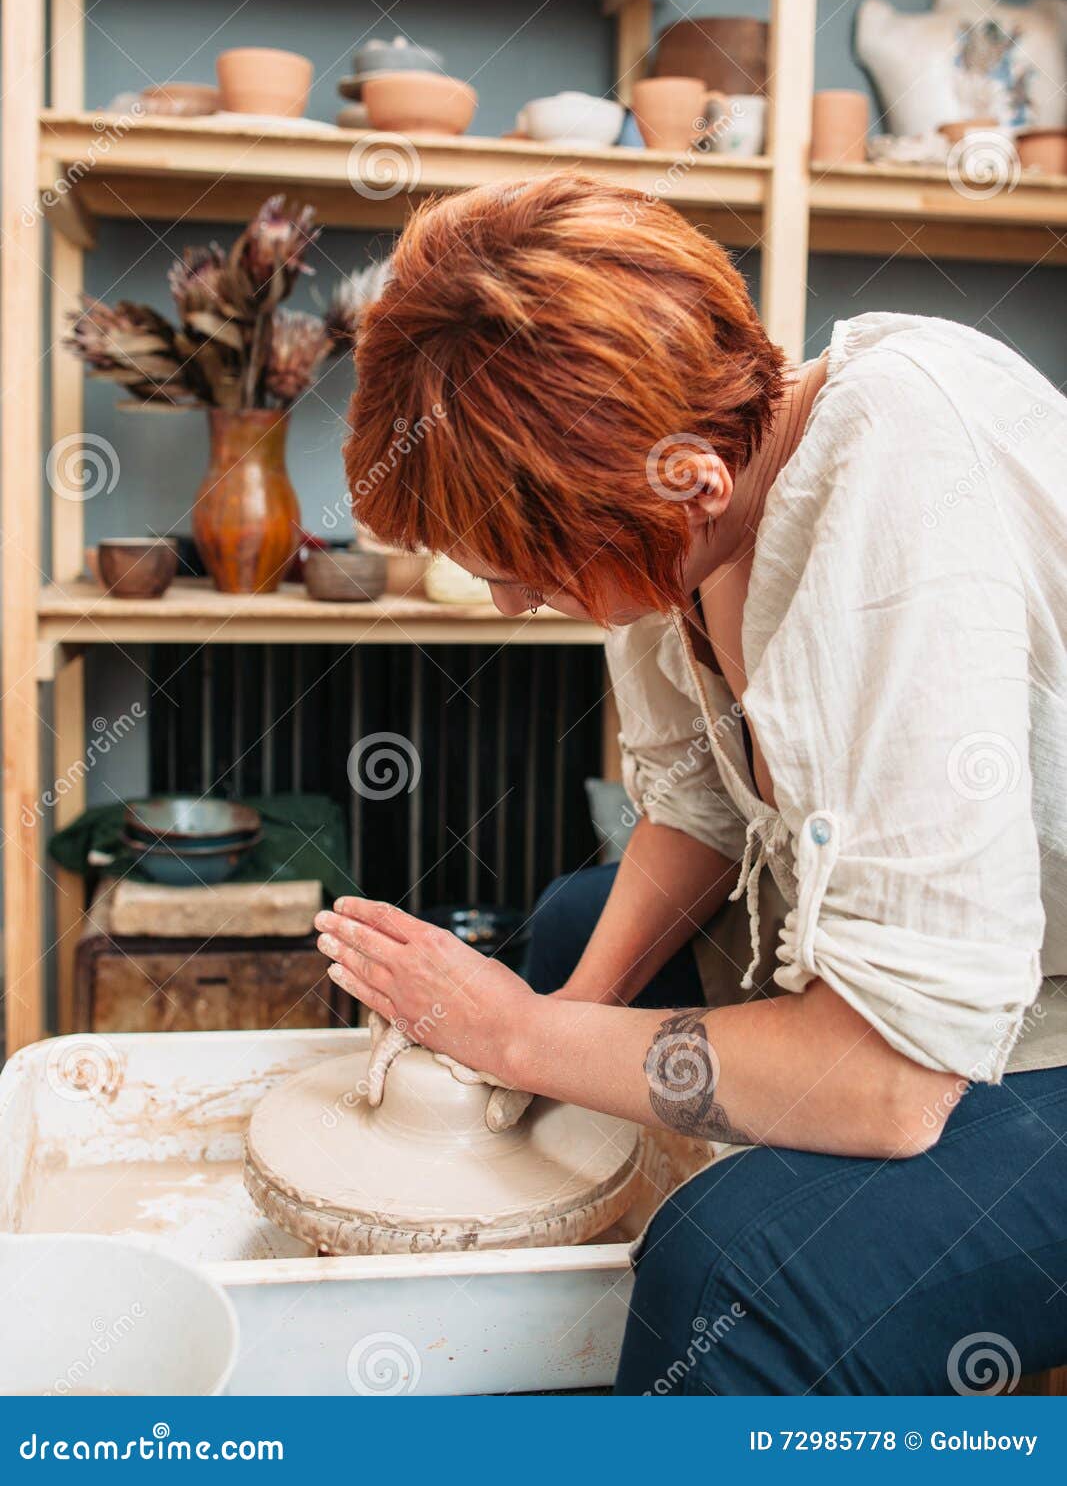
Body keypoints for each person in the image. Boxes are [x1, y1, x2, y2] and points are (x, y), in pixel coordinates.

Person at [315, 174, 1067, 1394]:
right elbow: (703, 811)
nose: (509, 600)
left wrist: (518, 1027)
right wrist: (537, 1033)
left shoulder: (895, 489)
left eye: (523, 565)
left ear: (683, 485)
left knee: (736, 1271)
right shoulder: (673, 491)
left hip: (1004, 1019)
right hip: (925, 987)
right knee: (569, 924)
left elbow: (890, 1081)